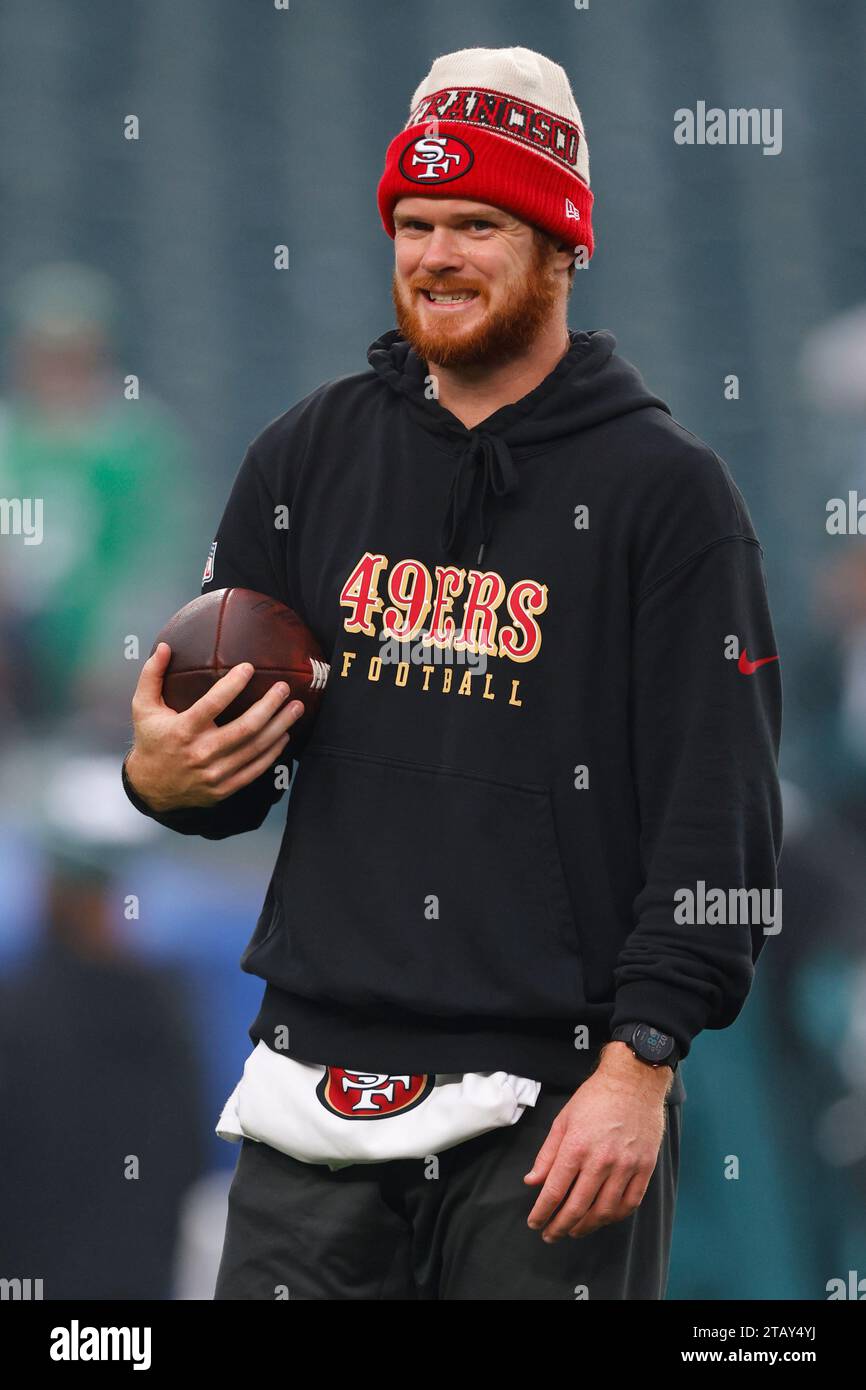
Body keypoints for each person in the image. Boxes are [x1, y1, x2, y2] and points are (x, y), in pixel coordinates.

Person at [121, 46, 783, 1300]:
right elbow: (226, 765)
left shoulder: (667, 496)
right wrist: (163, 777)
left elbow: (723, 818)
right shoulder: (305, 454)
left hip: (551, 1099)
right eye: (413, 223)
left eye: (477, 224)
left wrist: (640, 1064)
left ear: (559, 247)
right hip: (313, 1079)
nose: (435, 255)